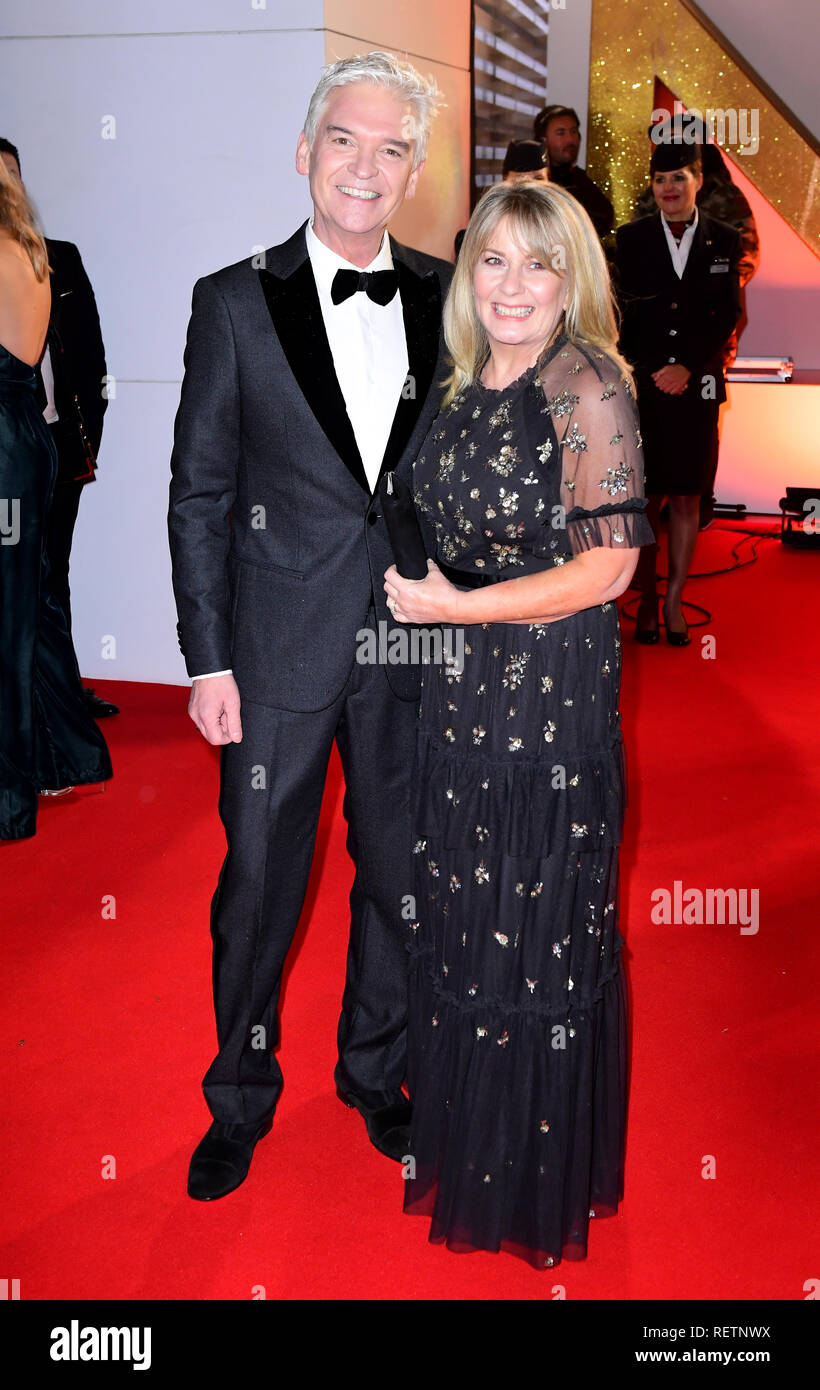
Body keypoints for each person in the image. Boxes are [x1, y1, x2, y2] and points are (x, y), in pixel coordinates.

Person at [168, 51, 454, 1202]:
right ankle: (239, 1092)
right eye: (346, 139)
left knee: (398, 874)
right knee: (258, 890)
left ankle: (375, 1074)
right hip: (274, 648)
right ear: (305, 150)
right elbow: (197, 490)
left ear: (415, 170)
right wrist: (206, 658)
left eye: (392, 148)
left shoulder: (449, 294)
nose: (366, 166)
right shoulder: (231, 300)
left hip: (406, 639)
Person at [384, 179, 654, 1267]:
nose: (510, 284)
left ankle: (531, 1184)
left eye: (537, 265)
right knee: (465, 916)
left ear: (569, 279)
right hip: (461, 701)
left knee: (535, 934)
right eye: (492, 259)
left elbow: (611, 566)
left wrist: (457, 606)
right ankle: (472, 1144)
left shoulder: (583, 383)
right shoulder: (461, 381)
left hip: (545, 704)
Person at [0, 160, 112, 840]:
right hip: (24, 444)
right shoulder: (32, 254)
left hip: (5, 451)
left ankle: (11, 794)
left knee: (11, 614)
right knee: (29, 602)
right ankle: (60, 753)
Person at [615, 139, 742, 643]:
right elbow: (620, 313)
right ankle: (645, 598)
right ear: (653, 186)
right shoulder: (630, 238)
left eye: (679, 177)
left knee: (687, 495)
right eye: (660, 179)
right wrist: (651, 370)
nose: (669, 187)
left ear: (698, 182)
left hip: (697, 386)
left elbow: (727, 313)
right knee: (646, 497)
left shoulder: (725, 239)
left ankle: (673, 603)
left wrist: (688, 366)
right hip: (646, 385)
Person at [533, 104, 613, 238]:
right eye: (561, 133)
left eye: (573, 131)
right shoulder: (532, 181)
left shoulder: (580, 180)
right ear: (543, 140)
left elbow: (605, 218)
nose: (570, 140)